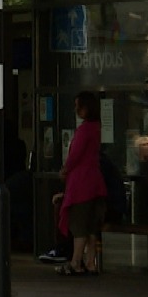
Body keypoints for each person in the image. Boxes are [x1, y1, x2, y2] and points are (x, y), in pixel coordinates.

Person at [55, 90, 107, 276]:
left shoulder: (84, 130)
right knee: (93, 227)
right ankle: (90, 262)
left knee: (79, 225)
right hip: (95, 183)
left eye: (79, 106)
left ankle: (76, 262)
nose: (76, 110)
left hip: (81, 184)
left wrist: (65, 169)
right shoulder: (97, 128)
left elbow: (75, 155)